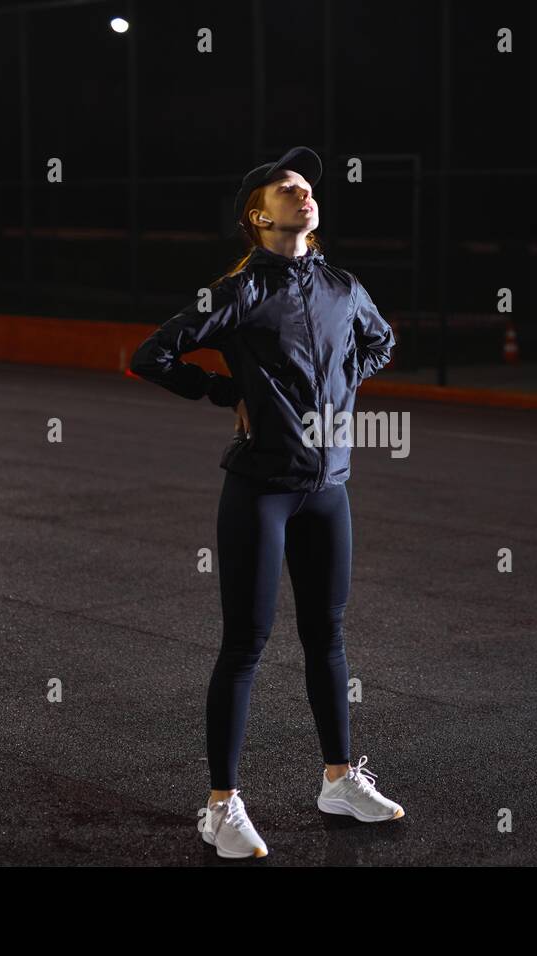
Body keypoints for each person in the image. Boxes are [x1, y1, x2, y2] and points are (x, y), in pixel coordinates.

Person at [127, 146, 405, 859]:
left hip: (330, 489)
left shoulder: (345, 285)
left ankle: (339, 781)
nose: (304, 194)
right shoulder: (238, 291)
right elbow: (151, 355)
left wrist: (343, 389)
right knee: (245, 645)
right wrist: (228, 394)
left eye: (309, 187)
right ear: (258, 215)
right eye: (287, 188)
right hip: (261, 490)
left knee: (328, 637)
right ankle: (221, 806)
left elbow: (382, 341)